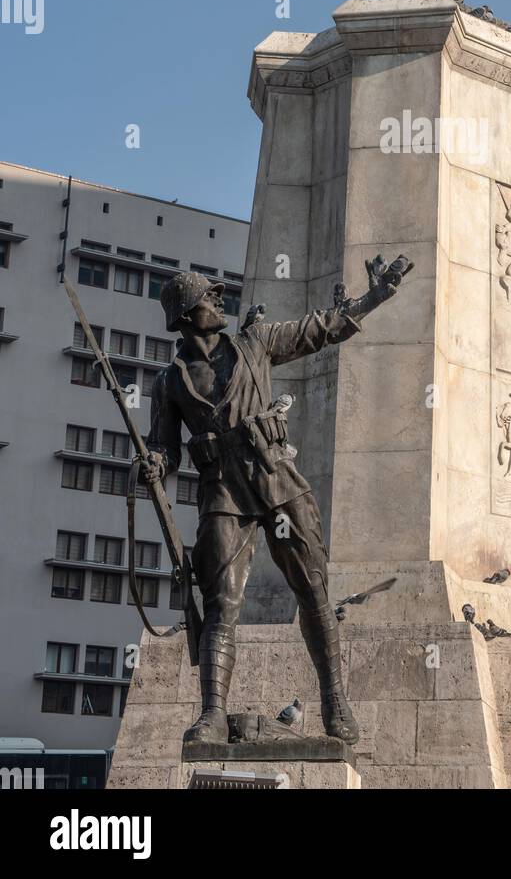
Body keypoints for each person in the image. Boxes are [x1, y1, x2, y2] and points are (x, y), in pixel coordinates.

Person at [143, 259, 408, 746]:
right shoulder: (169, 381)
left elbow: (317, 330)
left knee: (313, 591)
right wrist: (155, 464)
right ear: (185, 314)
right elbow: (164, 446)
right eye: (209, 297)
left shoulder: (254, 344)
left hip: (277, 480)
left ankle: (334, 699)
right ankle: (213, 715)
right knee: (220, 603)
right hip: (223, 493)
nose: (219, 301)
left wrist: (373, 298)